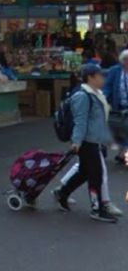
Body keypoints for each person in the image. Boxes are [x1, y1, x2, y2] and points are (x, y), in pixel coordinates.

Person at [53, 64, 118, 223]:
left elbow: (99, 120)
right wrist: (76, 142)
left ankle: (63, 193)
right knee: (96, 175)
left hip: (95, 140)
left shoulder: (97, 94)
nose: (103, 78)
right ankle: (97, 209)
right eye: (100, 75)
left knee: (84, 172)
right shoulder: (83, 96)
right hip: (87, 142)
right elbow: (80, 121)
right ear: (90, 77)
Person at [102, 50, 128, 162]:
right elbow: (107, 86)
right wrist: (103, 97)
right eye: (126, 60)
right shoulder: (114, 71)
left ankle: (124, 155)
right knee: (119, 131)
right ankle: (122, 153)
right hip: (119, 106)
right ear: (122, 61)